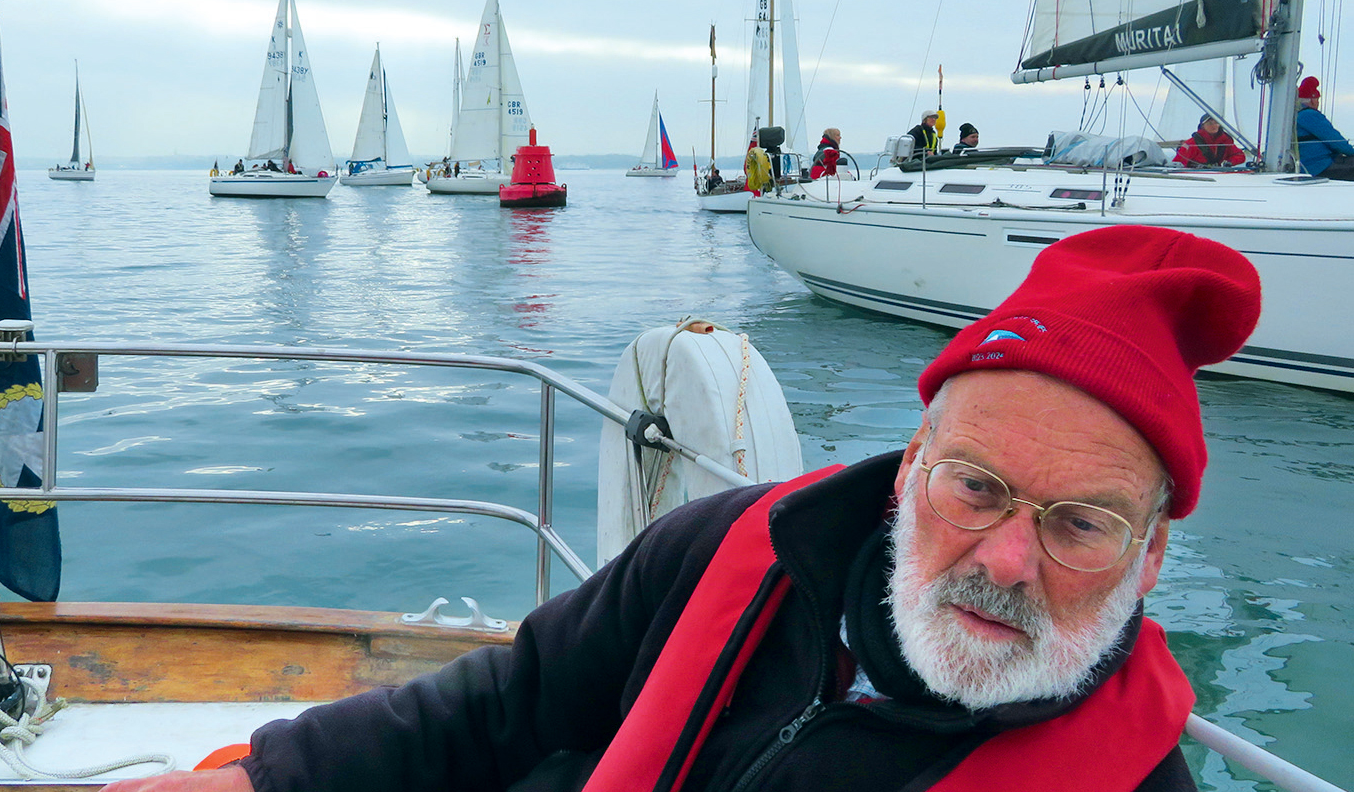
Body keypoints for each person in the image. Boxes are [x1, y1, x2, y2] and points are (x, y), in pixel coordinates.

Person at [105, 225, 1259, 792]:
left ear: (1150, 558)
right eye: (978, 487)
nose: (1007, 560)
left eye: (1079, 524)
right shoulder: (727, 546)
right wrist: (266, 776)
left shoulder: (1126, 782)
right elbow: (520, 698)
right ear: (911, 465)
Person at [1295, 76, 1354, 179]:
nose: (1317, 102)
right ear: (1313, 100)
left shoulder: (1295, 115)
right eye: (1317, 99)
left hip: (1308, 166)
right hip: (1319, 166)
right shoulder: (1309, 115)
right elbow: (1335, 140)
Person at [1172, 115, 1245, 168]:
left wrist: (1229, 162)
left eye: (1216, 122)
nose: (1214, 126)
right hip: (1198, 177)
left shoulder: (1225, 141)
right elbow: (1177, 163)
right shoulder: (1191, 143)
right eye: (1210, 123)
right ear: (1203, 126)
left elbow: (1240, 155)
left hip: (1221, 177)